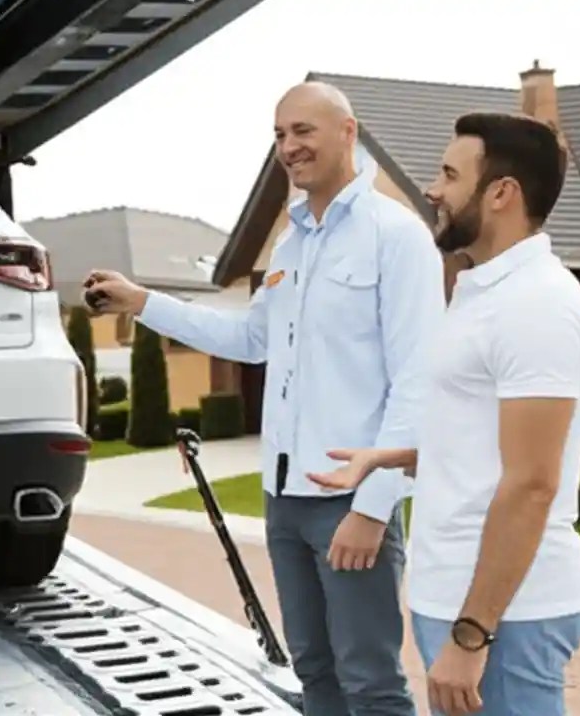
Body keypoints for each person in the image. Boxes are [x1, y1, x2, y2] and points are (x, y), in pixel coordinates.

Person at [81, 82, 444, 715]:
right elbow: (250, 338)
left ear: (348, 132)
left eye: (303, 130)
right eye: (279, 135)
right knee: (314, 672)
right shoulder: (290, 242)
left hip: (348, 501)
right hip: (285, 501)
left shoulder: (397, 235)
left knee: (371, 681)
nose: (289, 146)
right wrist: (143, 302)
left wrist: (374, 505)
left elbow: (418, 379)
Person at [307, 112, 580, 716]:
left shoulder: (536, 304)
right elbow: (484, 445)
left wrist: (472, 634)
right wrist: (390, 458)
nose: (433, 190)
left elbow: (532, 484)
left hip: (508, 614)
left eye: (448, 174)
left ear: (501, 194)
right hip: (460, 597)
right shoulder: (482, 290)